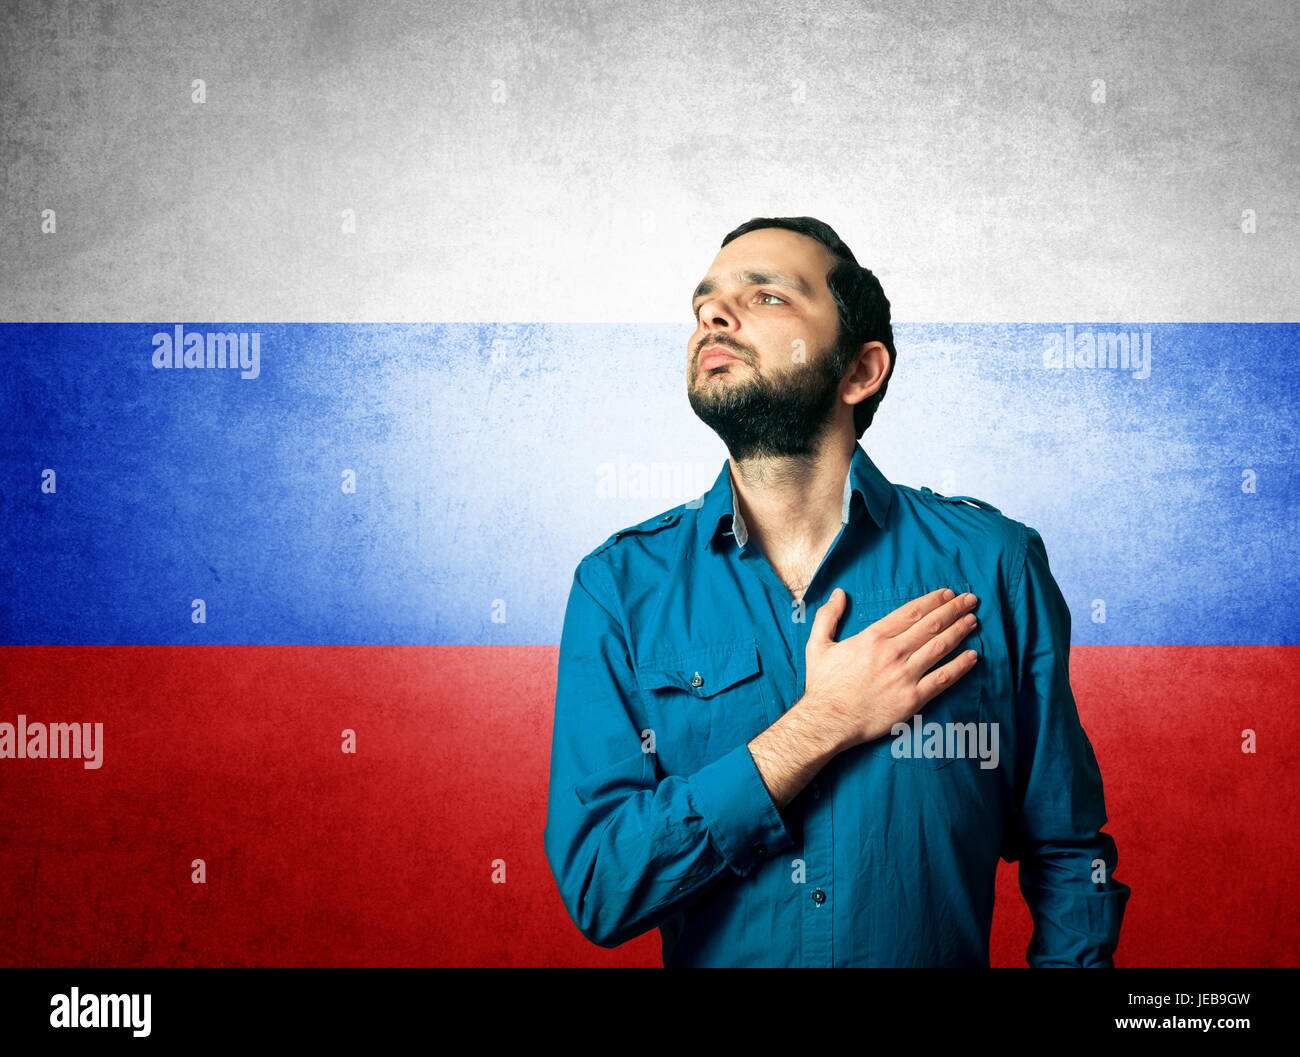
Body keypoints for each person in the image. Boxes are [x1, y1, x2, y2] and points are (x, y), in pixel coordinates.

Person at [543, 216, 1131, 967]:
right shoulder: (619, 587)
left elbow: (1069, 852)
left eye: (768, 297)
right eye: (705, 304)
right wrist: (820, 724)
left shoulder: (995, 564)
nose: (714, 316)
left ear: (860, 370)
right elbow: (602, 887)